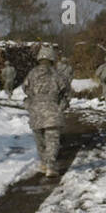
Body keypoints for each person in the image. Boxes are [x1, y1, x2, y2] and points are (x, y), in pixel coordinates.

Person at [22, 43, 69, 177]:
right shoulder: (58, 74)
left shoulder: (32, 73)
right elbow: (66, 92)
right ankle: (51, 166)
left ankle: (43, 163)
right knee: (52, 140)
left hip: (35, 111)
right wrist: (61, 105)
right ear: (52, 59)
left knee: (40, 140)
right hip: (53, 110)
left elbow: (25, 89)